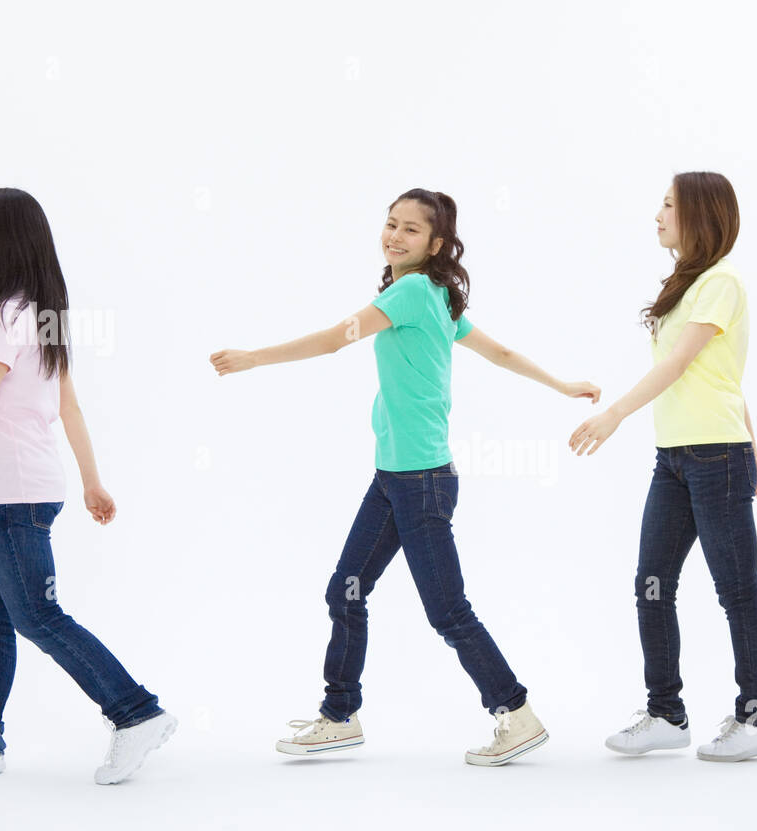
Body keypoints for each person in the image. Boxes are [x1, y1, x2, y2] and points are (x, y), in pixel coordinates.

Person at [210, 188, 599, 765]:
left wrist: (252, 358)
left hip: (421, 482)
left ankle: (515, 714)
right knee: (346, 588)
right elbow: (503, 354)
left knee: (447, 611)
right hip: (395, 477)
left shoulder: (416, 291)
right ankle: (339, 714)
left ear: (436, 245)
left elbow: (333, 339)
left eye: (411, 230)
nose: (395, 235)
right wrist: (562, 384)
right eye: (391, 224)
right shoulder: (433, 295)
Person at [0, 187, 176, 785]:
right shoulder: (40, 314)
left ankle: (136, 713)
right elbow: (68, 407)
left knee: (36, 615)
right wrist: (91, 482)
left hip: (17, 496)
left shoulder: (5, 318)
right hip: (18, 491)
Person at [569, 171, 757, 762]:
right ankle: (666, 711)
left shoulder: (722, 281)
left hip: (716, 458)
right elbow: (724, 380)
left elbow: (683, 367)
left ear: (700, 214)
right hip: (676, 458)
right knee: (652, 584)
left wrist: (614, 414)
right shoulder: (687, 286)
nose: (658, 215)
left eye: (668, 205)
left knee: (737, 590)